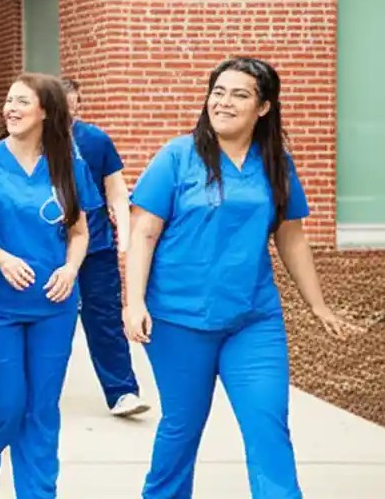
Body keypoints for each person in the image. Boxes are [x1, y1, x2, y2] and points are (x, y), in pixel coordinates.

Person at [124, 57, 362, 499]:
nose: (224, 102)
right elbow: (144, 233)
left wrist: (318, 304)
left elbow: (291, 238)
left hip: (253, 319)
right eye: (218, 91)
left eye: (239, 94)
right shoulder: (177, 157)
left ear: (264, 107)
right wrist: (133, 301)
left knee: (268, 425)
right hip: (178, 320)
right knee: (182, 429)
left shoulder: (275, 163)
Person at [0, 72, 102, 499]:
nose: (11, 108)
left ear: (46, 111)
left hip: (54, 306)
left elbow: (80, 232)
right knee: (5, 405)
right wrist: (3, 259)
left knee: (41, 411)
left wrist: (71, 269)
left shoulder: (69, 163)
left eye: (22, 101)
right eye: (8, 101)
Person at [57, 77, 149, 418]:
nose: (65, 118)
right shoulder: (29, 142)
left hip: (95, 247)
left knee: (104, 319)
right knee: (49, 325)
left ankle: (122, 391)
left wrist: (124, 236)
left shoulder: (95, 141)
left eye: (71, 110)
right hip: (48, 250)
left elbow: (116, 191)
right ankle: (38, 392)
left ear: (78, 108)